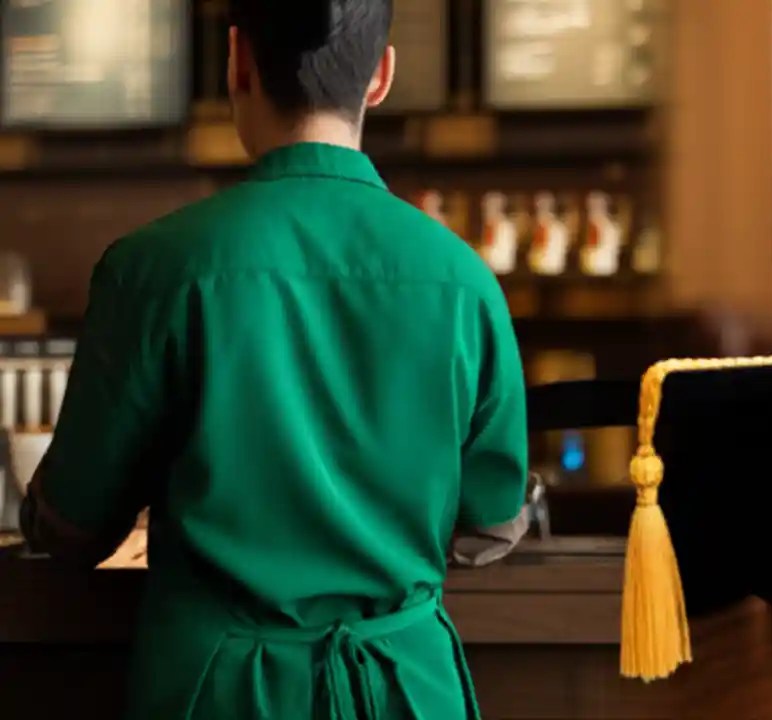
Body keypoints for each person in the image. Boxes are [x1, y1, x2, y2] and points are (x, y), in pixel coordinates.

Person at [20, 2, 528, 718]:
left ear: (238, 64)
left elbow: (73, 523)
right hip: (407, 689)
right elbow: (491, 522)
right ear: (381, 76)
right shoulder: (464, 278)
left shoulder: (152, 267)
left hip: (217, 691)